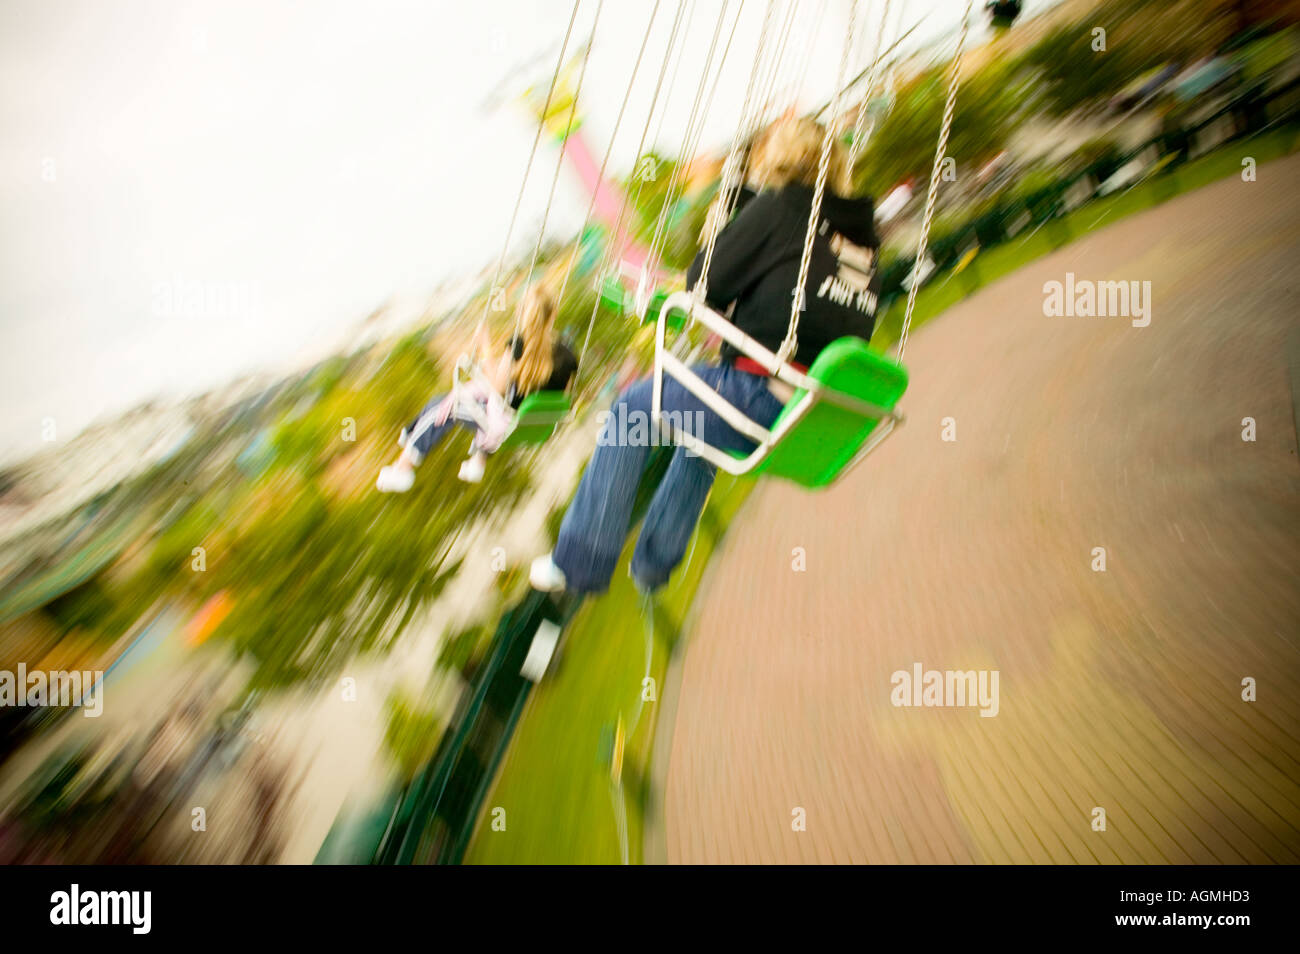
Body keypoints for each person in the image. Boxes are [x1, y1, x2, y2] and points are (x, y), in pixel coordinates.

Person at [530, 116, 882, 594]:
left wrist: (726, 223)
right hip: (814, 409)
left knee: (635, 408)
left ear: (777, 161)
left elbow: (702, 284)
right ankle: (652, 567)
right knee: (699, 434)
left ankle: (579, 563)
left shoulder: (781, 211)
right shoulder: (861, 239)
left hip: (761, 398)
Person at [377, 286, 577, 490]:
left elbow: (498, 386)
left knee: (442, 406)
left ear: (522, 314)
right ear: (553, 314)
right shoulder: (567, 351)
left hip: (504, 422)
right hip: (533, 423)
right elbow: (561, 391)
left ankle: (403, 468)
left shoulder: (519, 344)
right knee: (460, 399)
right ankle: (477, 460)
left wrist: (485, 345)